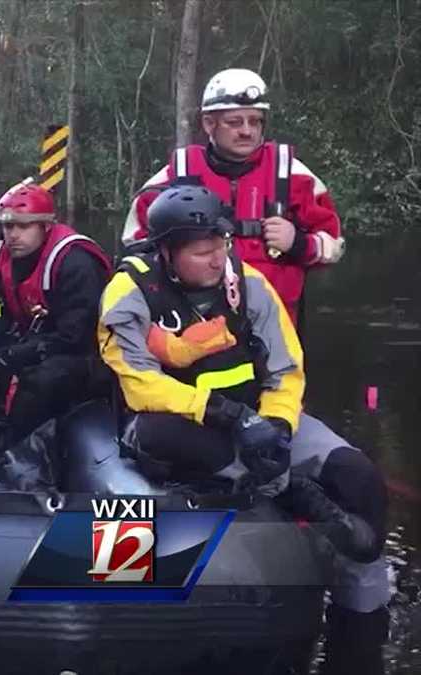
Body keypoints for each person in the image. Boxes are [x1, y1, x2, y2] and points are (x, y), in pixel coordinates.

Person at [99, 185, 389, 675]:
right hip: (176, 423)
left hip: (260, 417)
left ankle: (358, 633)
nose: (218, 260)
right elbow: (139, 385)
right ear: (168, 252)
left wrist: (274, 423)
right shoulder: (129, 293)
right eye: (202, 251)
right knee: (170, 436)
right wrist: (230, 417)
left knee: (359, 478)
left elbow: (286, 370)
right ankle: (288, 489)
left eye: (223, 246)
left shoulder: (249, 285)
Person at [123, 68, 345, 324]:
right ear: (209, 124)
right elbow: (134, 245)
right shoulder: (177, 174)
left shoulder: (293, 174)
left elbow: (334, 244)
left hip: (275, 327)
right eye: (235, 122)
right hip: (193, 324)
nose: (247, 131)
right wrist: (176, 253)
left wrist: (298, 243)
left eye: (255, 121)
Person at [0, 182, 112, 473]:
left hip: (86, 355)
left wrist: (9, 358)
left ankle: (12, 455)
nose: (13, 236)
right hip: (35, 340)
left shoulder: (75, 262)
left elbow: (75, 337)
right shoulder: (2, 256)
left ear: (45, 227)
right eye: (8, 227)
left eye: (23, 227)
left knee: (42, 377)